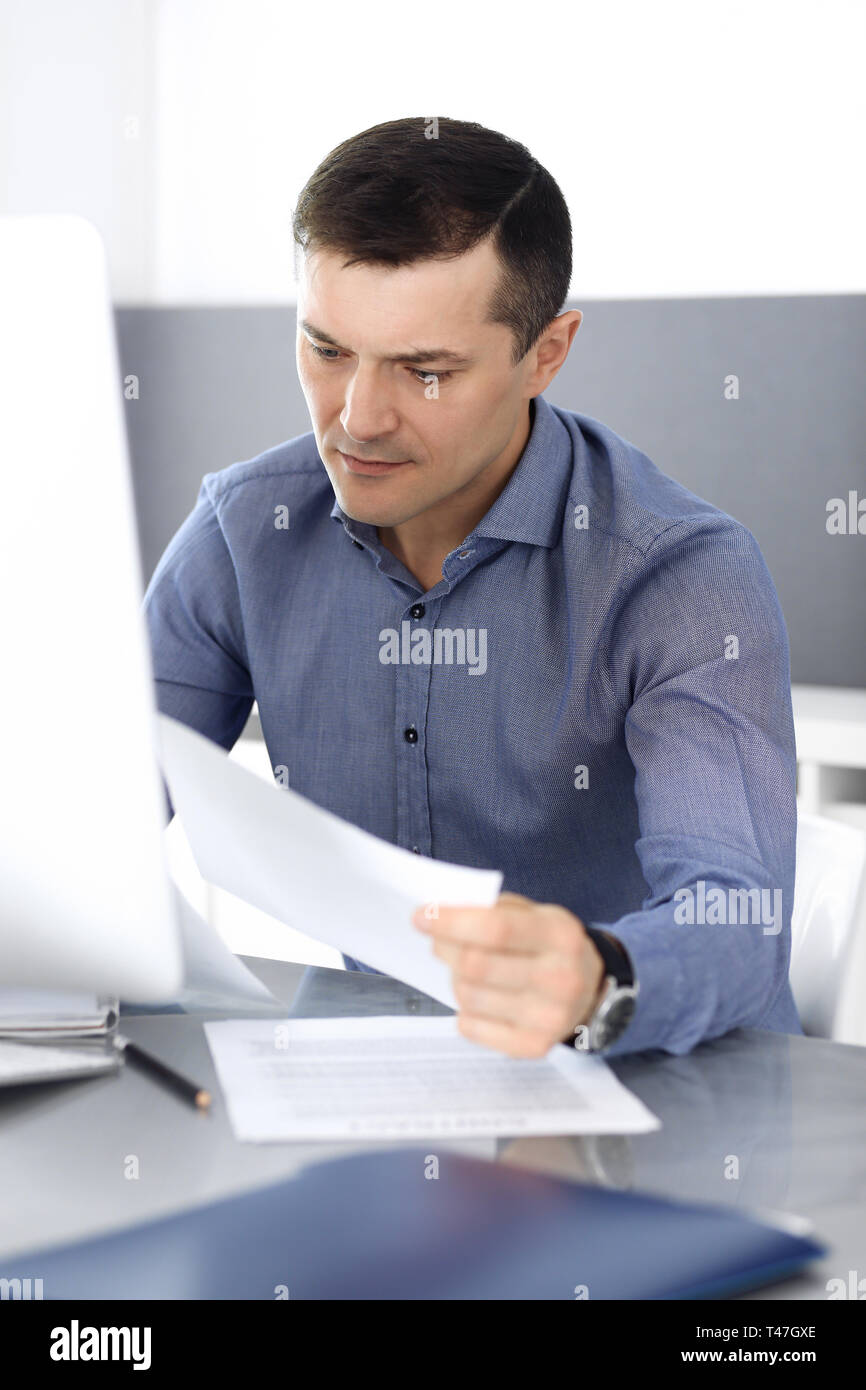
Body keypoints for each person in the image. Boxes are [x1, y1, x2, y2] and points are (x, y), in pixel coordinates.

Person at [145, 116, 803, 1059]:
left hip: (665, 1101)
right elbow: (92, 819)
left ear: (546, 352)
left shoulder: (678, 573)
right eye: (328, 350)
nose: (358, 421)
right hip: (390, 1100)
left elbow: (739, 919)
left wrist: (592, 974)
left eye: (425, 372)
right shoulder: (244, 531)